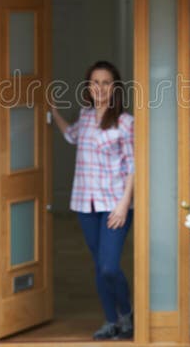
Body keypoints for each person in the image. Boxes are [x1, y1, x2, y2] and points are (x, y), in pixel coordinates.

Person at [50, 60, 135, 340]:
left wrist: (124, 204)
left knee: (110, 266)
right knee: (100, 265)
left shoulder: (125, 122)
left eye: (106, 82)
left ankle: (126, 315)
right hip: (85, 204)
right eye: (95, 82)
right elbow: (72, 136)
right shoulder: (85, 116)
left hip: (114, 205)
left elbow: (134, 167)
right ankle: (111, 321)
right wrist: (53, 113)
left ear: (115, 88)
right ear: (88, 87)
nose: (100, 87)